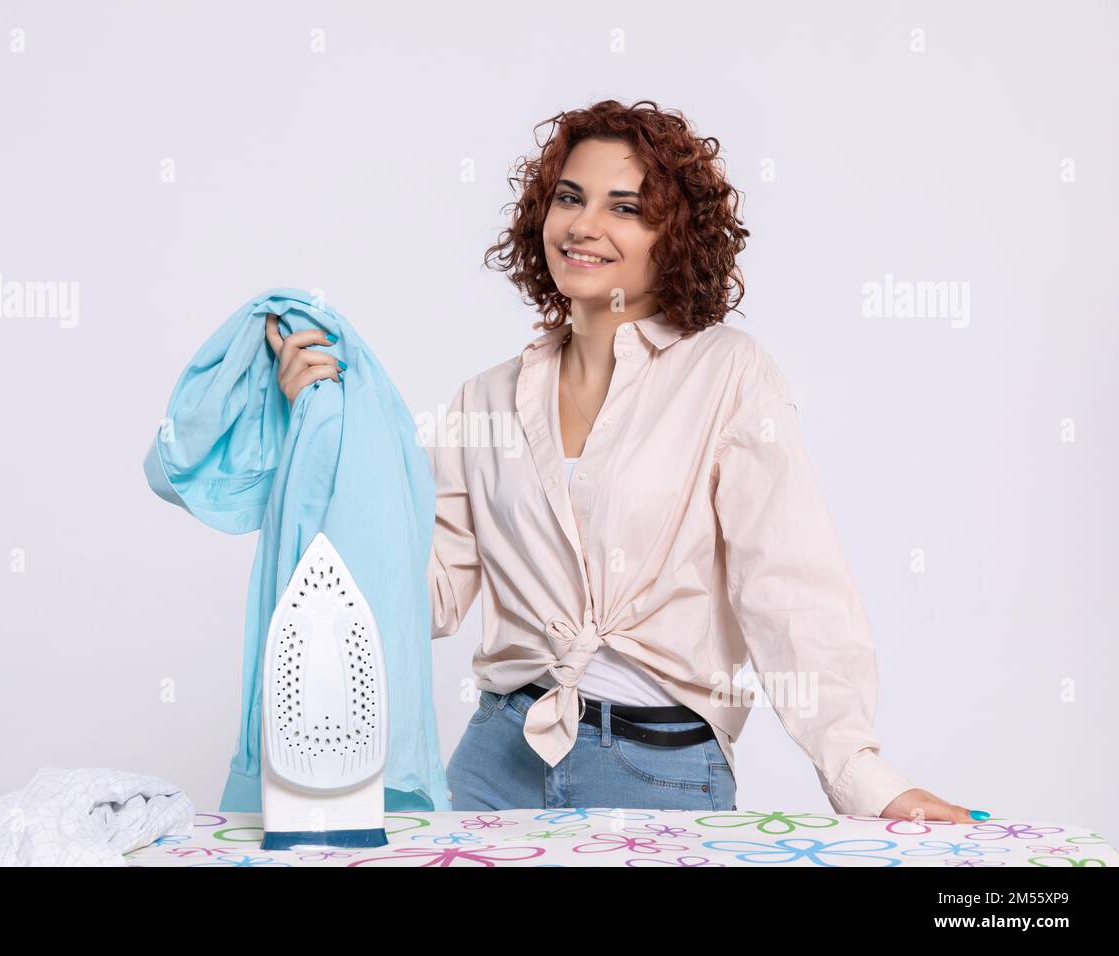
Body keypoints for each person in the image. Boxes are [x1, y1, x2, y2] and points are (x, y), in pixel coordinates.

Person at [265, 99, 988, 823]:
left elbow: (790, 589)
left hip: (662, 775)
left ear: (672, 237)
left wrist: (862, 775)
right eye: (570, 198)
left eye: (626, 207)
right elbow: (423, 598)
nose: (584, 225)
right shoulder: (483, 400)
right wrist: (330, 441)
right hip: (494, 764)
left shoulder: (729, 375)